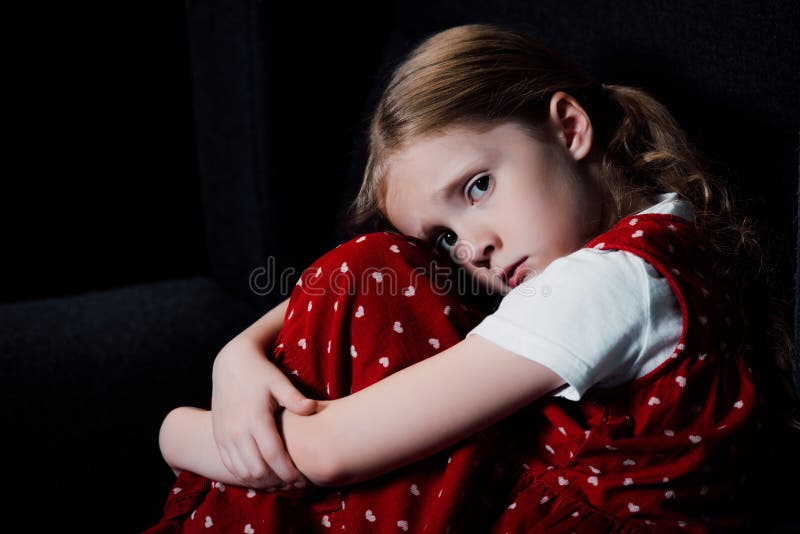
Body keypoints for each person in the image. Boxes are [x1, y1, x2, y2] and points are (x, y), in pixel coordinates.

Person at [144, 23, 797, 533]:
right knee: (372, 266)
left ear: (569, 128)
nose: (474, 248)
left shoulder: (604, 287)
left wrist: (175, 429)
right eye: (446, 238)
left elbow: (324, 451)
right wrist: (239, 354)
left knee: (367, 265)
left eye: (478, 186)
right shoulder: (664, 235)